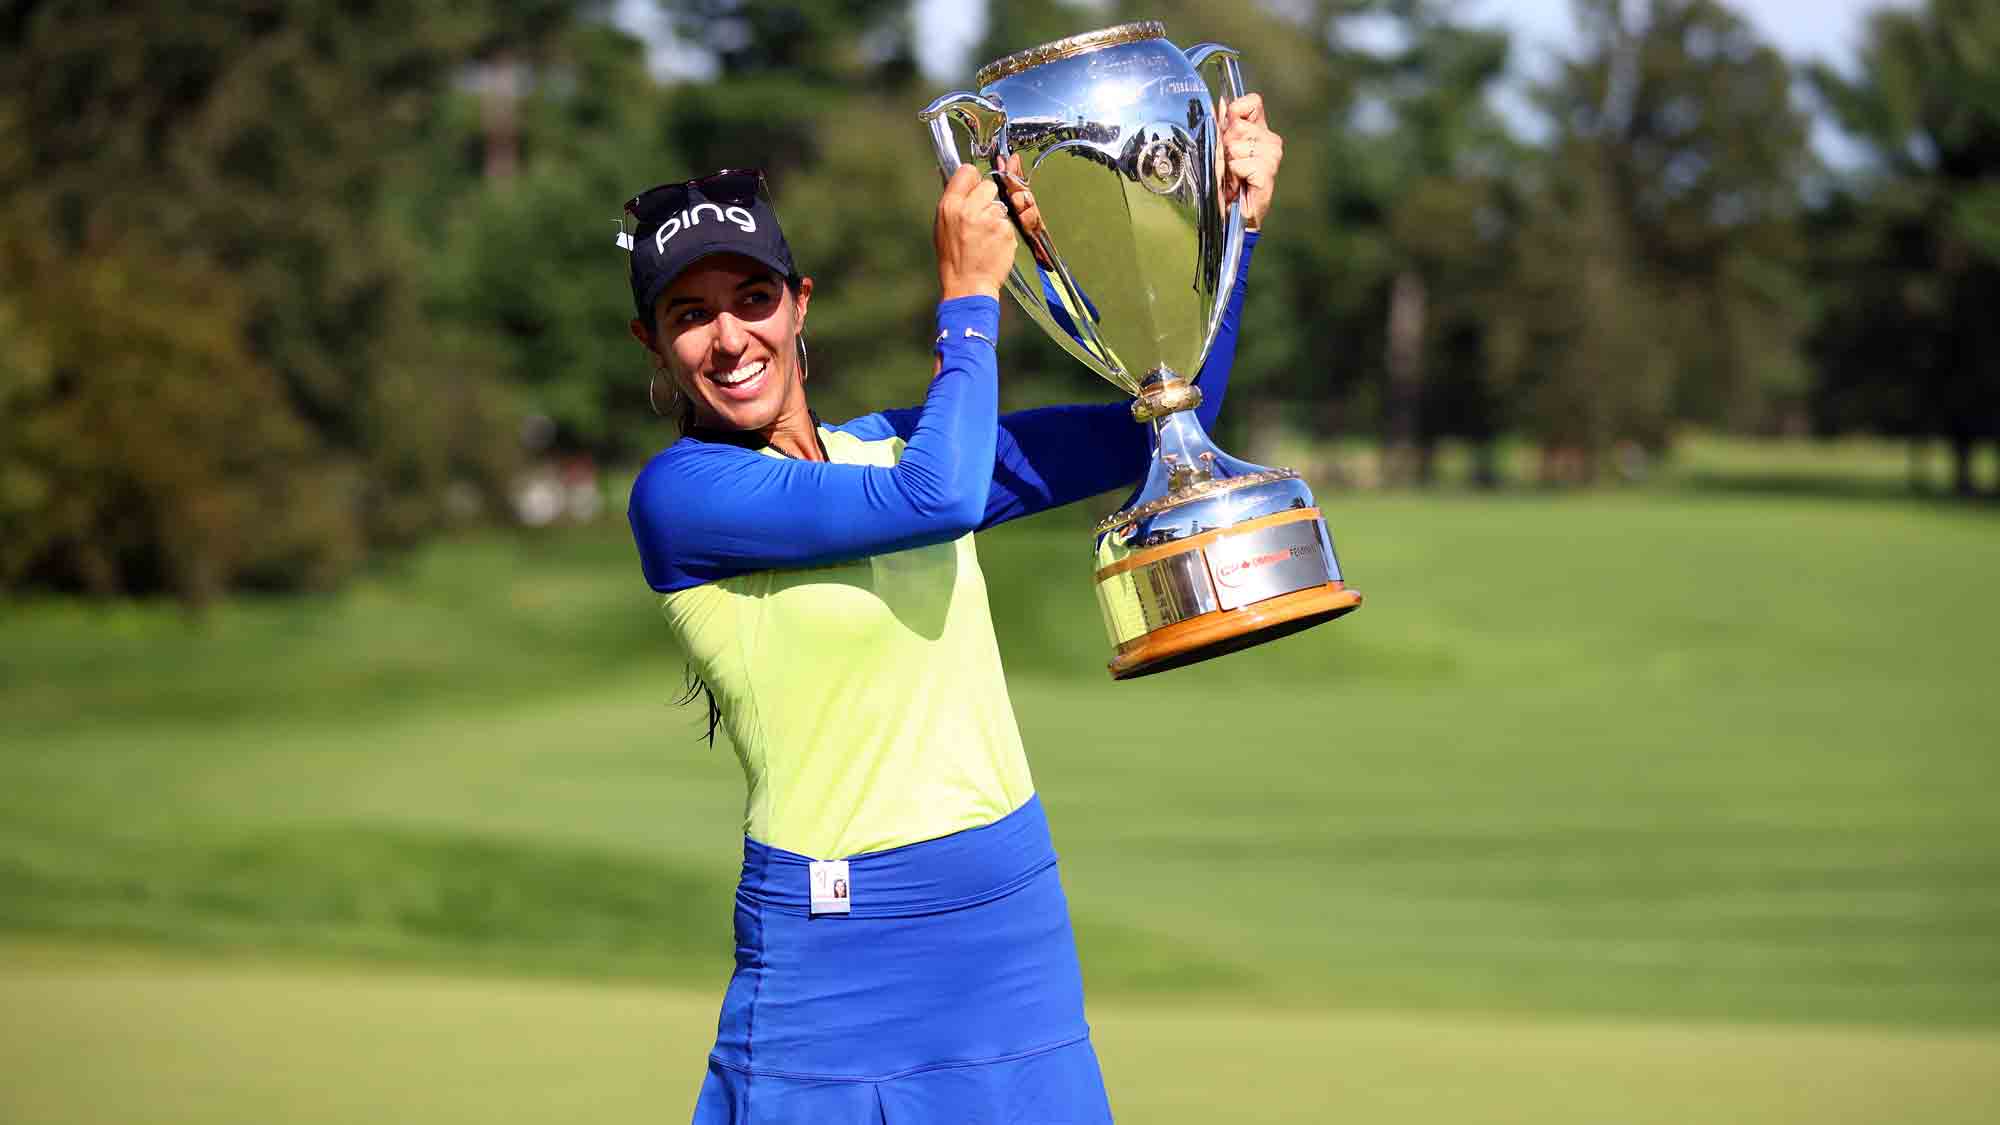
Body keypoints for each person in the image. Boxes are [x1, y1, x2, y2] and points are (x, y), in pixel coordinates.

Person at [623, 95, 1284, 1125]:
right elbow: (934, 503)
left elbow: (1157, 424)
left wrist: (1230, 225)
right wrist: (968, 302)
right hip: (834, 958)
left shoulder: (898, 446)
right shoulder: (683, 497)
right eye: (687, 316)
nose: (727, 337)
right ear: (653, 347)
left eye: (750, 298)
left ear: (798, 304)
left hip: (1007, 926)